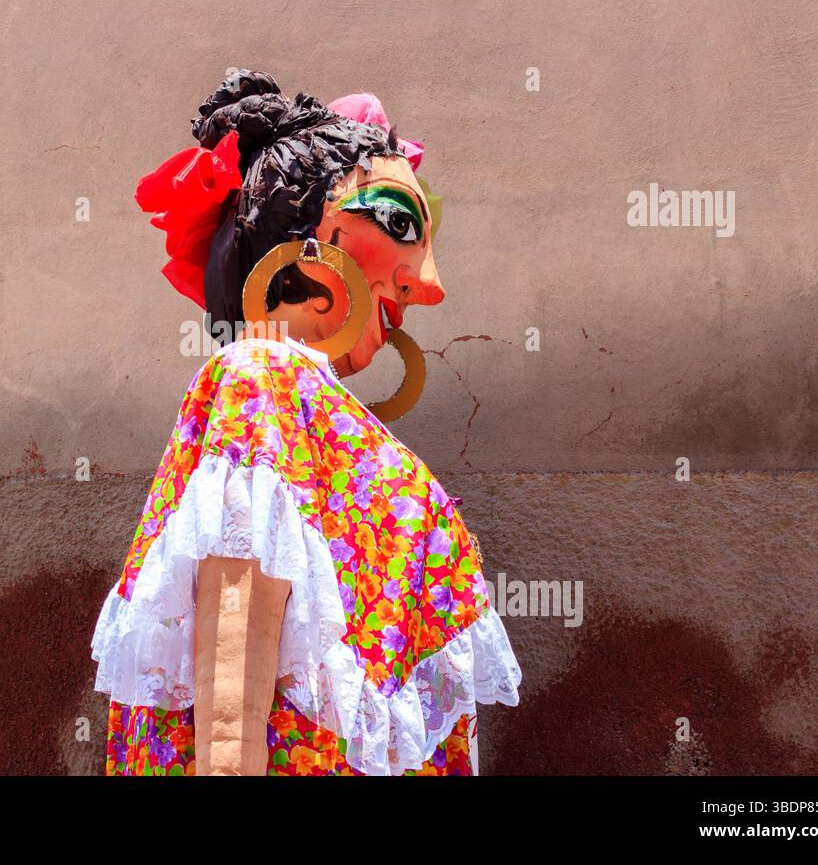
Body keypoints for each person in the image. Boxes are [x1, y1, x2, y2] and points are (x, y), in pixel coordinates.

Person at [91, 70, 521, 775]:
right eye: (400, 224)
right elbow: (233, 662)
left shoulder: (307, 408)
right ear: (311, 240)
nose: (429, 284)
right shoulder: (260, 382)